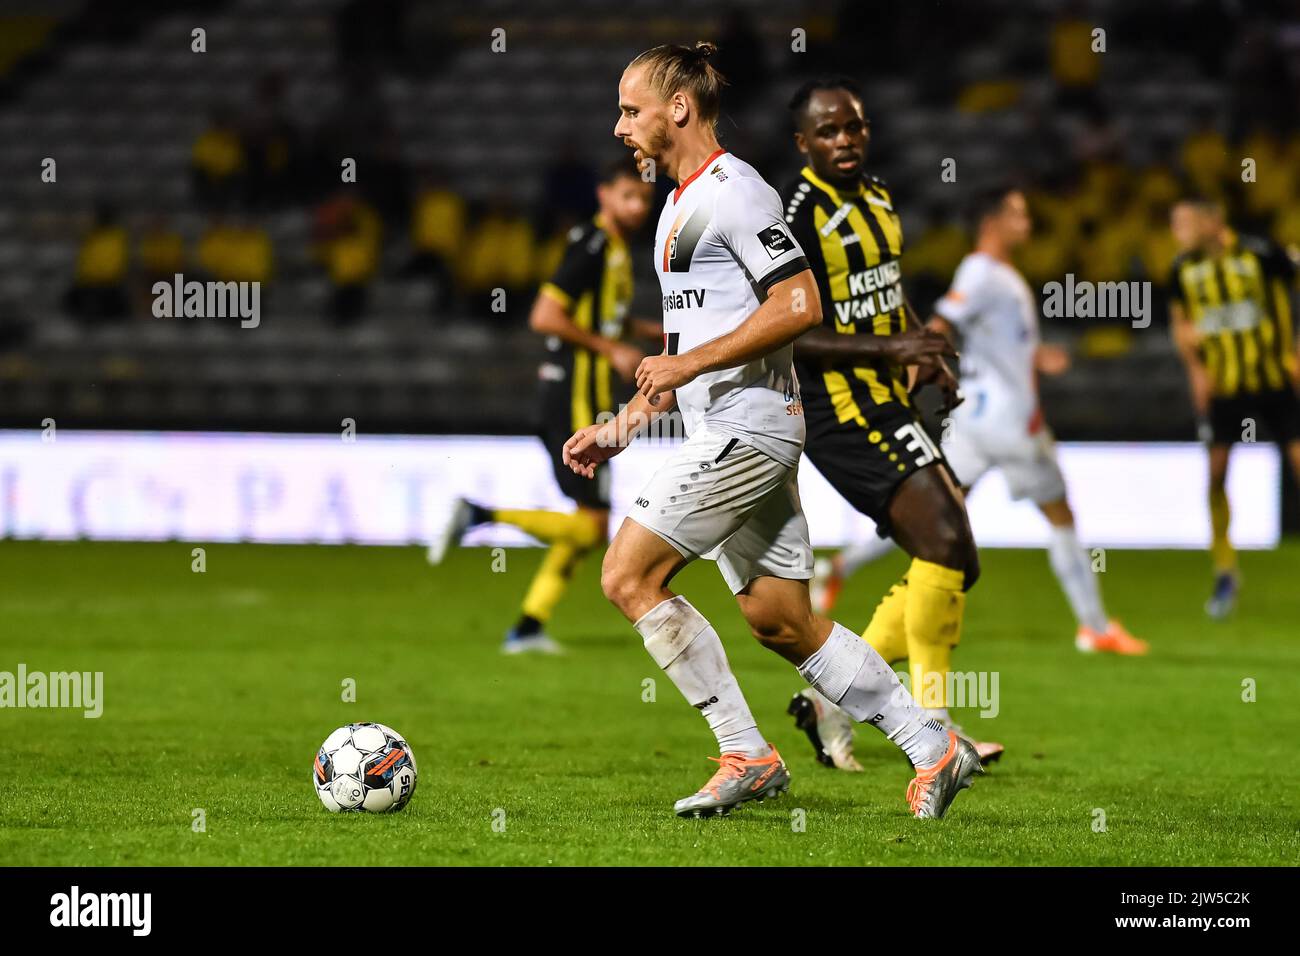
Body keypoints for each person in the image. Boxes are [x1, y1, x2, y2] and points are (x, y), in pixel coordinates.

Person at [563, 43, 982, 819]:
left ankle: (745, 751)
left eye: (631, 109)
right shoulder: (678, 205)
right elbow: (687, 349)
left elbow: (798, 306)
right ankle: (934, 746)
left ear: (678, 108)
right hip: (727, 426)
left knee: (626, 576)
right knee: (780, 619)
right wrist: (623, 424)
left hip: (745, 431)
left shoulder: (738, 192)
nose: (619, 126)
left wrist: (687, 374)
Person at [777, 76, 996, 771]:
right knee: (944, 541)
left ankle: (831, 701)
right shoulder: (797, 217)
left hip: (886, 398)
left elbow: (886, 289)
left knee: (958, 555)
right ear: (803, 142)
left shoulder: (877, 196)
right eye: (829, 132)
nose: (845, 141)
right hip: (837, 411)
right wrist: (890, 348)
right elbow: (786, 332)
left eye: (855, 127)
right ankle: (933, 724)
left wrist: (921, 349)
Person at [430, 158, 655, 653]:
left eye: (643, 198)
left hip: (586, 394)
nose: (637, 207)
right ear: (604, 195)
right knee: (593, 526)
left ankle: (529, 627)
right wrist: (611, 349)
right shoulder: (593, 245)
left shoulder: (614, 250)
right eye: (627, 196)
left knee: (588, 522)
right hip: (575, 394)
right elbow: (545, 315)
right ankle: (480, 515)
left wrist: (641, 333)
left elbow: (601, 317)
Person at [1168, 197, 1300, 617]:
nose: (1177, 232)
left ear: (1212, 220)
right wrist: (1196, 373)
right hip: (1225, 387)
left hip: (1277, 380)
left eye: (1184, 222)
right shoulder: (1182, 270)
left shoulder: (1262, 254)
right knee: (1216, 475)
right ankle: (1225, 571)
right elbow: (1181, 324)